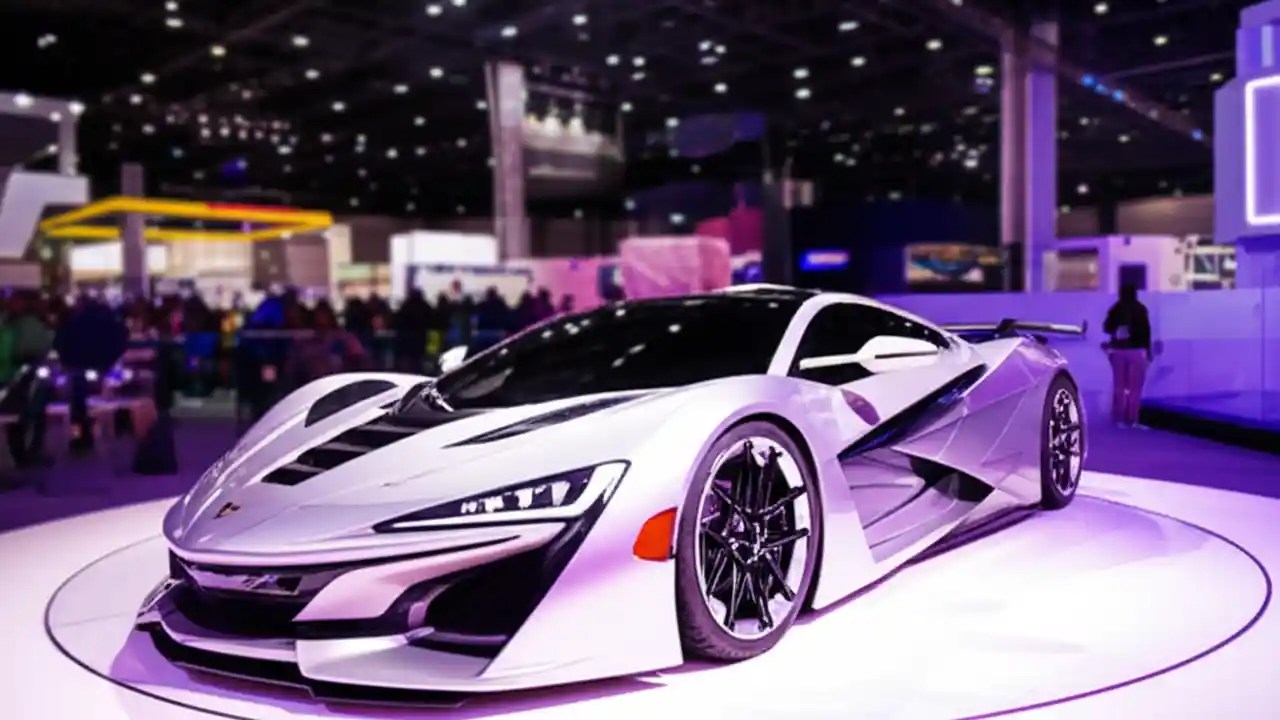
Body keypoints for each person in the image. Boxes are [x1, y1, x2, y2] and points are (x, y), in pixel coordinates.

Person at [1103, 284, 1152, 427]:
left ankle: (1118, 418)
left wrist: (1117, 331)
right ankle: (1132, 419)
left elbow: (1106, 327)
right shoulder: (1140, 309)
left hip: (1118, 351)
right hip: (1137, 351)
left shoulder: (1115, 309)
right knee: (1135, 388)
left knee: (1119, 386)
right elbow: (1146, 332)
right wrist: (1148, 351)